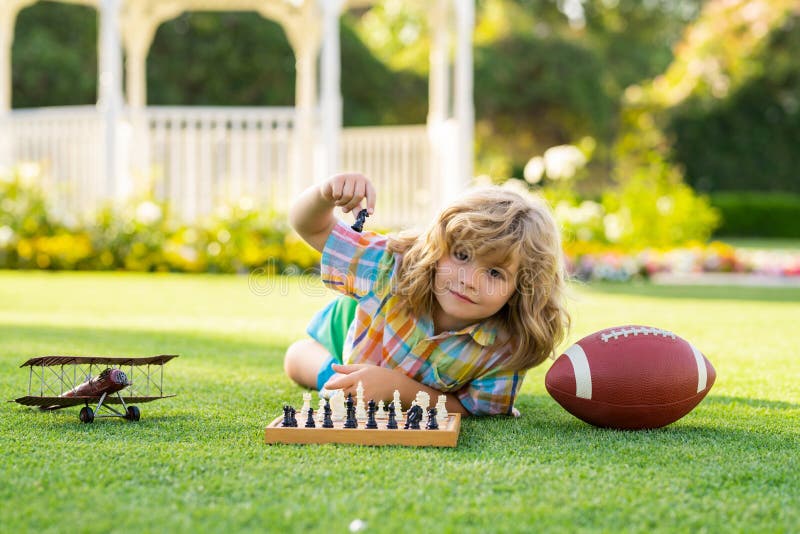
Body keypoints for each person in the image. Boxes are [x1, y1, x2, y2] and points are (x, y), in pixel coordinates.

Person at [284, 172, 570, 416]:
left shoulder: (508, 347)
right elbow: (312, 227)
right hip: (359, 316)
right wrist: (325, 193)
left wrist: (397, 388)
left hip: (392, 344)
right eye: (461, 255)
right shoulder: (388, 267)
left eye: (495, 273)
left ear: (522, 287)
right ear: (438, 246)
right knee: (297, 359)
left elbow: (473, 409)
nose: (468, 281)